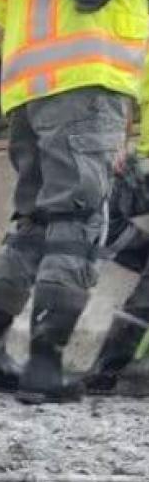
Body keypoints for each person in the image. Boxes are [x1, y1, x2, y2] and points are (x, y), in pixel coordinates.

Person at [0, 0, 148, 403]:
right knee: (77, 220)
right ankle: (45, 361)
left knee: (34, 222)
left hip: (27, 85)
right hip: (88, 75)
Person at [87, 90, 149, 391]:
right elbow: (125, 93)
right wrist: (120, 143)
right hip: (144, 164)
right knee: (91, 212)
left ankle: (111, 367)